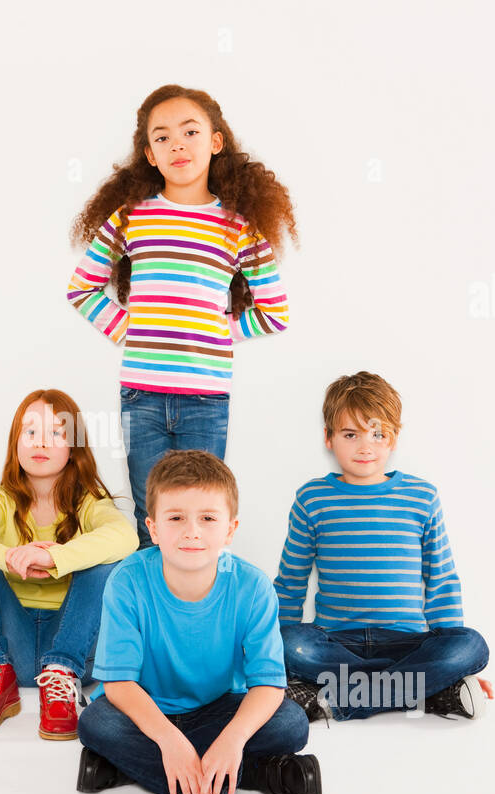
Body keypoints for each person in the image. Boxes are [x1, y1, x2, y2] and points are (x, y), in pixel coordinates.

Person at [68, 83, 296, 548]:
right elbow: (82, 288)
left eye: (190, 132)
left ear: (215, 142)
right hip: (141, 397)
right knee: (151, 515)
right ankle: (149, 615)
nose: (177, 144)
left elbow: (275, 312)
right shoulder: (132, 217)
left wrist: (214, 330)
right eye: (162, 137)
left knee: (200, 518)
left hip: (206, 400)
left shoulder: (237, 226)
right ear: (150, 154)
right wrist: (132, 330)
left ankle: (196, 614)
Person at [76, 450, 322, 794]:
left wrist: (233, 740)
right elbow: (119, 684)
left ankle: (127, 768)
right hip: (146, 710)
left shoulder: (252, 587)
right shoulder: (127, 581)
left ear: (230, 530)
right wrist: (168, 740)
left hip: (217, 708)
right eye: (176, 518)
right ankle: (254, 774)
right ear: (154, 529)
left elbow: (267, 685)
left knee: (291, 723)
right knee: (96, 723)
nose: (192, 532)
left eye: (208, 518)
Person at [274, 372, 492, 722]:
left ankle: (338, 699)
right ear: (329, 438)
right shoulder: (311, 499)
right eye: (351, 435)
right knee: (288, 644)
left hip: (407, 644)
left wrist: (447, 661)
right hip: (335, 643)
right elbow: (290, 583)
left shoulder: (422, 497)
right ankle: (425, 691)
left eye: (378, 434)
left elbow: (442, 580)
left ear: (394, 439)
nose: (366, 447)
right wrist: (274, 663)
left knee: (470, 645)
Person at [0, 389, 138, 740]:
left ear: (73, 447)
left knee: (108, 562)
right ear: (16, 444)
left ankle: (60, 676)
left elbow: (125, 538)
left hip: (75, 653)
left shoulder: (89, 503)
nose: (40, 443)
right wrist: (8, 558)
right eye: (30, 432)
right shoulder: (2, 501)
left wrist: (54, 557)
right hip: (14, 651)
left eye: (55, 433)